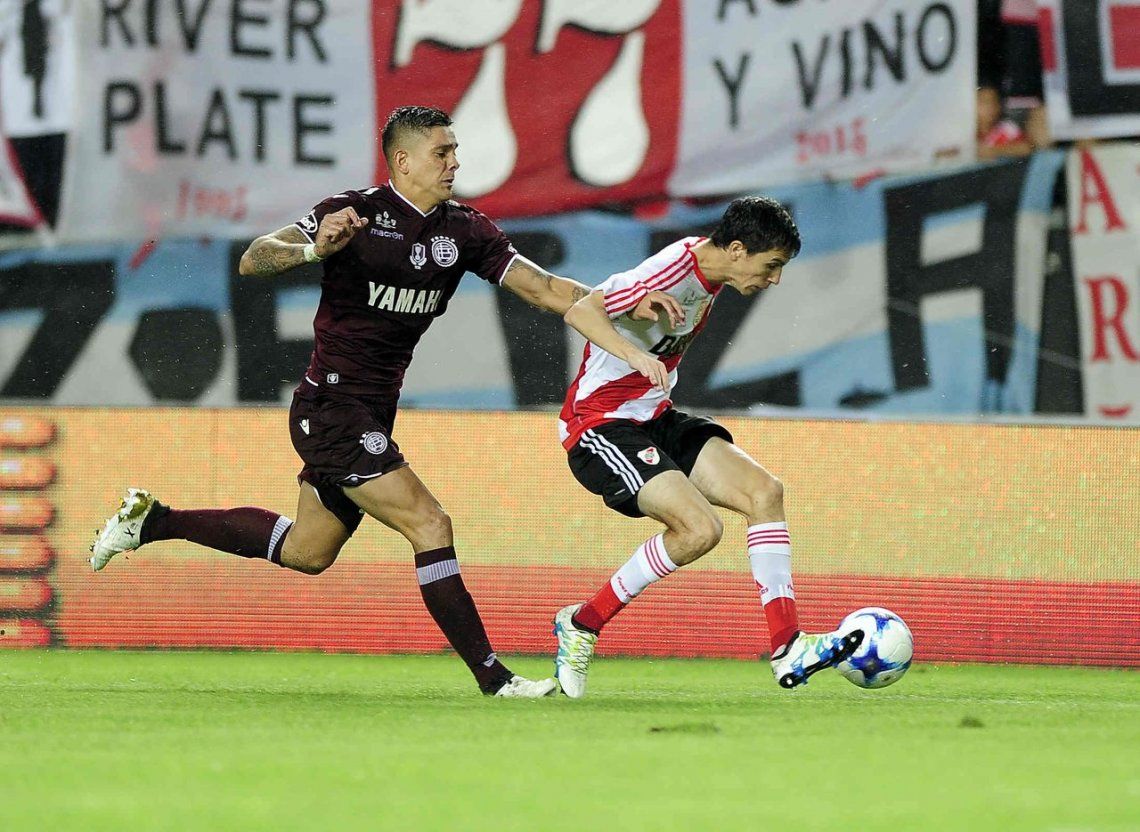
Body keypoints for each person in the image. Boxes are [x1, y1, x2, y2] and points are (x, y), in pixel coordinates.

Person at [89, 105, 677, 698]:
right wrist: (315, 249)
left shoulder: (464, 231)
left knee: (307, 551)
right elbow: (254, 258)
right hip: (331, 408)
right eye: (440, 152)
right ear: (402, 160)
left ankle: (154, 522)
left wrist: (621, 301)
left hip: (372, 411)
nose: (455, 162)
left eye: (454, 150)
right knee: (430, 521)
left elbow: (546, 288)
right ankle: (495, 680)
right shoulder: (353, 216)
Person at [549, 196, 864, 698]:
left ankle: (788, 645)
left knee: (765, 492)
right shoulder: (672, 269)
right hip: (600, 426)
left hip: (655, 417)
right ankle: (582, 624)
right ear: (737, 250)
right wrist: (635, 349)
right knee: (700, 530)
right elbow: (580, 310)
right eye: (772, 266)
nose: (774, 279)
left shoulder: (711, 273)